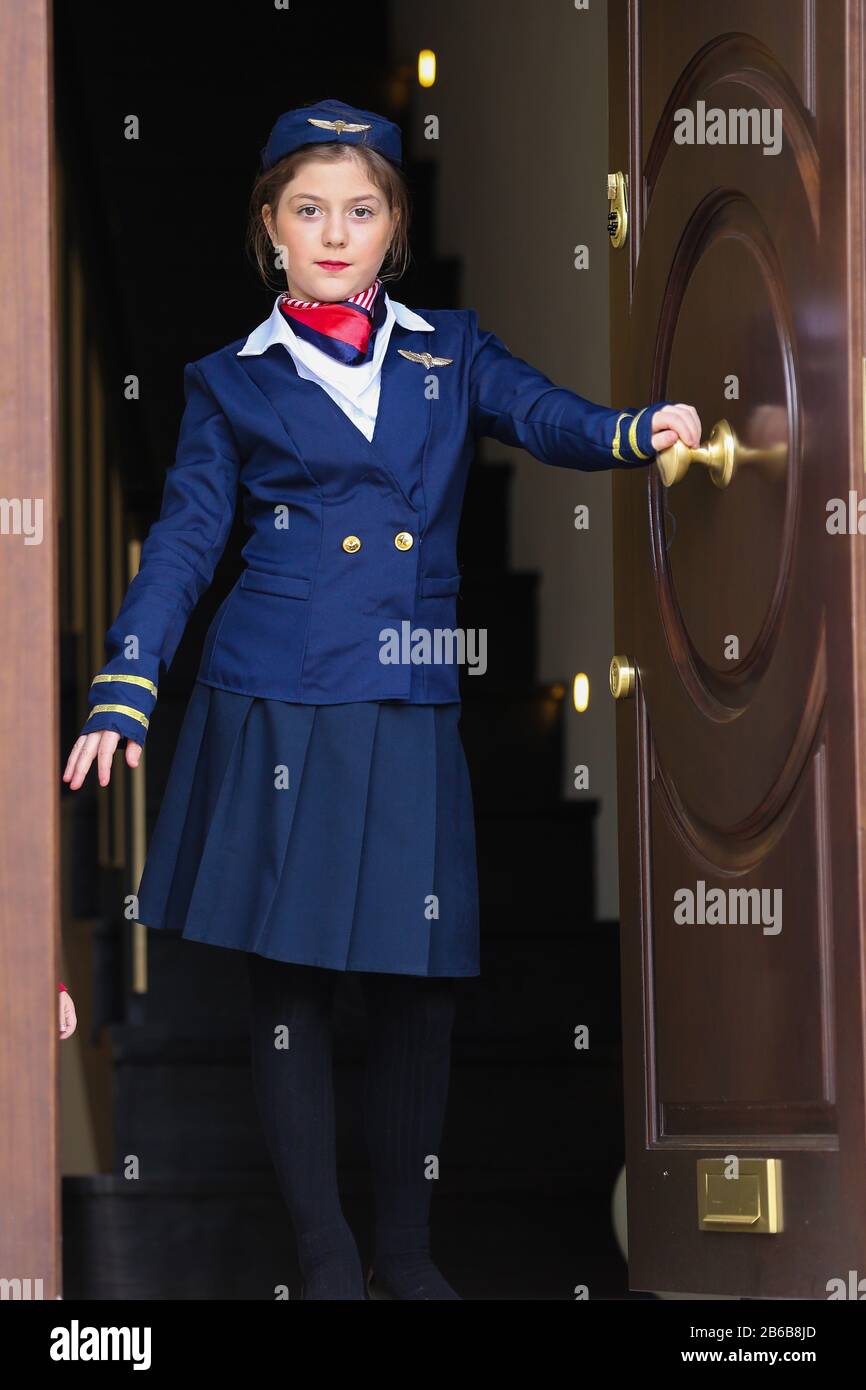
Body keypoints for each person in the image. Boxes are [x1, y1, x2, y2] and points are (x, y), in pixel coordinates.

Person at [62, 97, 701, 1300]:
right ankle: (324, 1258)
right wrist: (127, 682)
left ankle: (406, 1257)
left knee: (419, 980)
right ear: (270, 229)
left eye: (360, 210)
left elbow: (543, 414)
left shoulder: (450, 349)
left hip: (407, 690)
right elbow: (188, 541)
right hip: (277, 700)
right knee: (292, 982)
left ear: (395, 226)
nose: (335, 232)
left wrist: (632, 431)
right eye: (309, 211)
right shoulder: (227, 380)